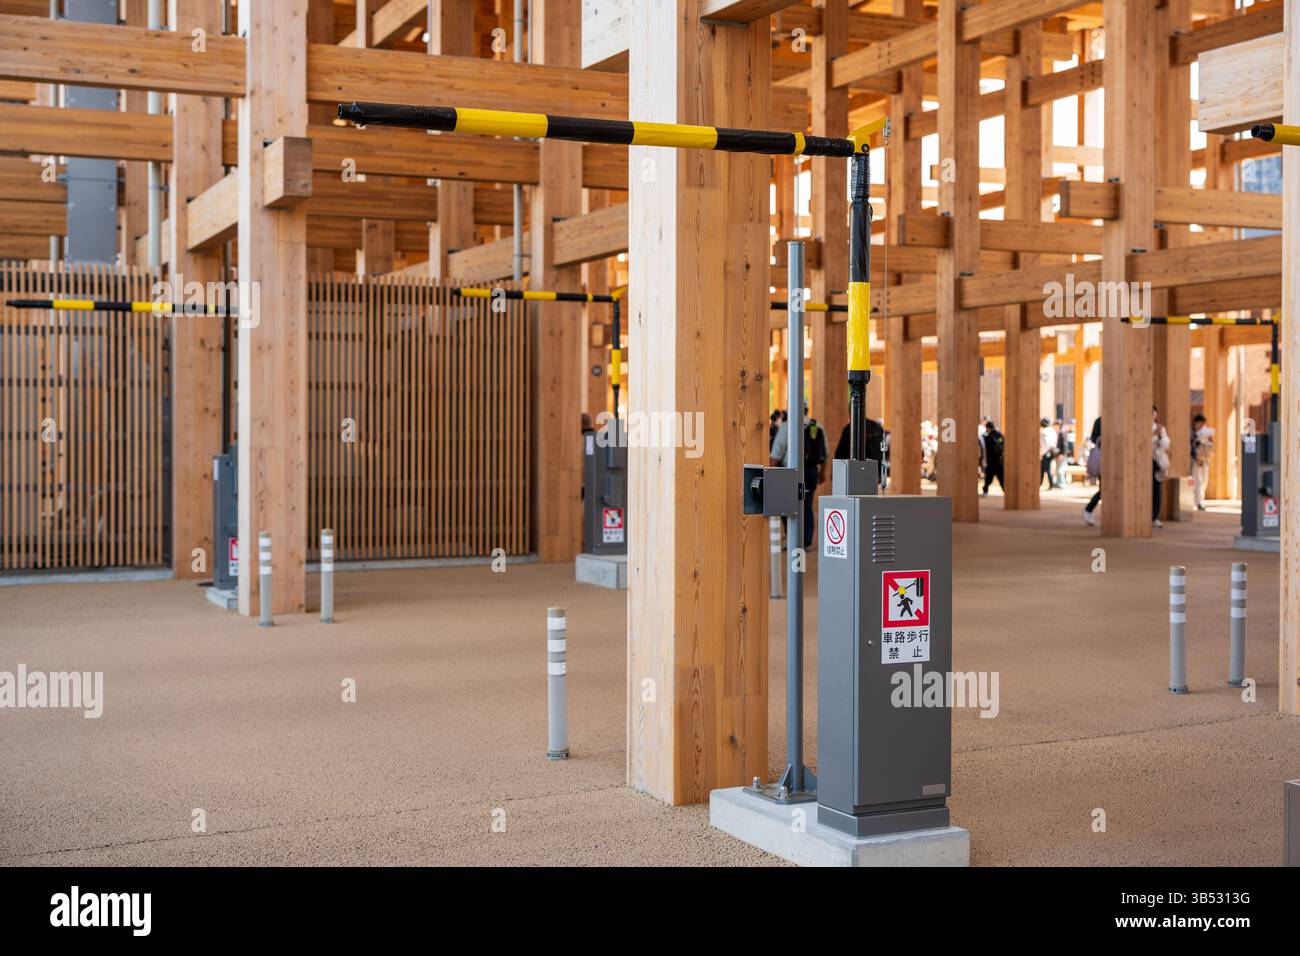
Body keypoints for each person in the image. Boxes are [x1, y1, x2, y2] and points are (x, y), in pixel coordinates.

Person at [770, 402, 828, 550]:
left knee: (786, 505)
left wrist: (772, 474)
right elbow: (825, 454)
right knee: (807, 505)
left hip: (789, 472)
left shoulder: (786, 427)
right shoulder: (817, 426)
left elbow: (776, 455)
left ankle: (791, 539)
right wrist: (821, 473)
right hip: (810, 472)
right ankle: (806, 542)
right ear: (807, 411)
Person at [1191, 414, 1214, 511]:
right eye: (1199, 423)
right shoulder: (1192, 433)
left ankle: (1200, 500)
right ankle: (1197, 502)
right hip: (1195, 460)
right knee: (1197, 481)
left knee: (1204, 480)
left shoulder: (1206, 433)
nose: (1201, 425)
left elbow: (1211, 444)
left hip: (1204, 459)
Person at [1152, 405, 1170, 528]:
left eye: (1153, 413)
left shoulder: (1160, 428)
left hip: (1156, 461)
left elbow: (1166, 444)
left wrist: (1159, 435)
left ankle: (1155, 516)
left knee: (1157, 489)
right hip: (1143, 461)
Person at [1083, 416, 1102, 526]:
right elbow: (1094, 438)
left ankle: (1088, 509)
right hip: (1103, 462)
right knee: (1104, 489)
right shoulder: (1100, 421)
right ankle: (1088, 509)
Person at [980, 420, 1005, 496]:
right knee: (1002, 479)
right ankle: (1007, 492)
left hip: (991, 462)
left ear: (988, 428)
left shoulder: (987, 437)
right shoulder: (999, 435)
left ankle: (985, 491)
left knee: (988, 478)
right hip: (999, 461)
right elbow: (1003, 444)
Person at [1039, 418, 1056, 490]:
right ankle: (1040, 483)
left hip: (1046, 452)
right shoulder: (1052, 430)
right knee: (1044, 468)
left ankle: (1050, 484)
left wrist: (1041, 453)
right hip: (1052, 451)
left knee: (1046, 469)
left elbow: (1044, 444)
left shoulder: (1043, 432)